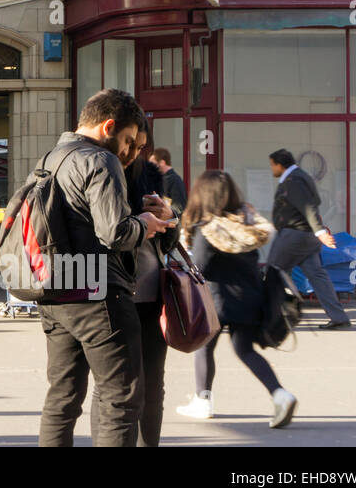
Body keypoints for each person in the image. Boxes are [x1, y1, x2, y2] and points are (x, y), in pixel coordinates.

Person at [35, 89, 176, 448]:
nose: (129, 150)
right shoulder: (100, 159)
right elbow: (115, 232)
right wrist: (145, 222)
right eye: (128, 139)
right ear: (109, 126)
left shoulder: (53, 157)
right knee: (120, 398)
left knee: (62, 399)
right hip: (98, 292)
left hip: (56, 287)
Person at [175, 170, 298, 428]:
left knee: (204, 347)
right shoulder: (246, 226)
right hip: (250, 298)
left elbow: (199, 268)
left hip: (217, 301)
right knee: (245, 350)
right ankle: (280, 394)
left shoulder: (207, 229)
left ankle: (203, 400)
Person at [122, 124, 179, 447]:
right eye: (130, 144)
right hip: (110, 293)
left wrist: (169, 219)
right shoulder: (102, 173)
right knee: (120, 388)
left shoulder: (152, 177)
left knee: (152, 384)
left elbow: (169, 242)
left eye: (141, 146)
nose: (134, 152)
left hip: (150, 292)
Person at [265, 149, 352, 330]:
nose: (272, 169)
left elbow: (308, 207)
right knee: (317, 276)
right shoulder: (302, 176)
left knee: (275, 271)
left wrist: (320, 232)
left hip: (294, 235)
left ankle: (272, 316)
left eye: (272, 165)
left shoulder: (293, 180)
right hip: (306, 236)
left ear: (280, 165)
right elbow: (316, 201)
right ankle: (339, 318)